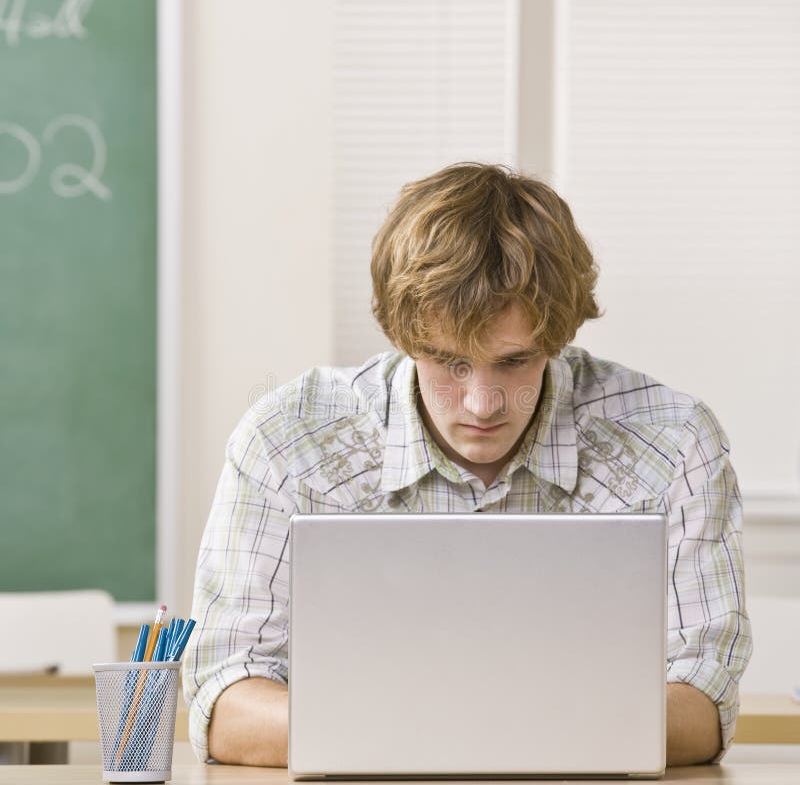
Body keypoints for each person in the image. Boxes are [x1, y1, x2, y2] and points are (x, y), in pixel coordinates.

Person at [183, 163, 752, 768]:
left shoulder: (672, 443)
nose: (482, 403)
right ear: (403, 336)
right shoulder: (289, 440)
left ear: (557, 339)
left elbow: (703, 710)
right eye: (448, 361)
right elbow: (225, 705)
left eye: (514, 362)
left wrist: (421, 728)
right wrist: (506, 727)